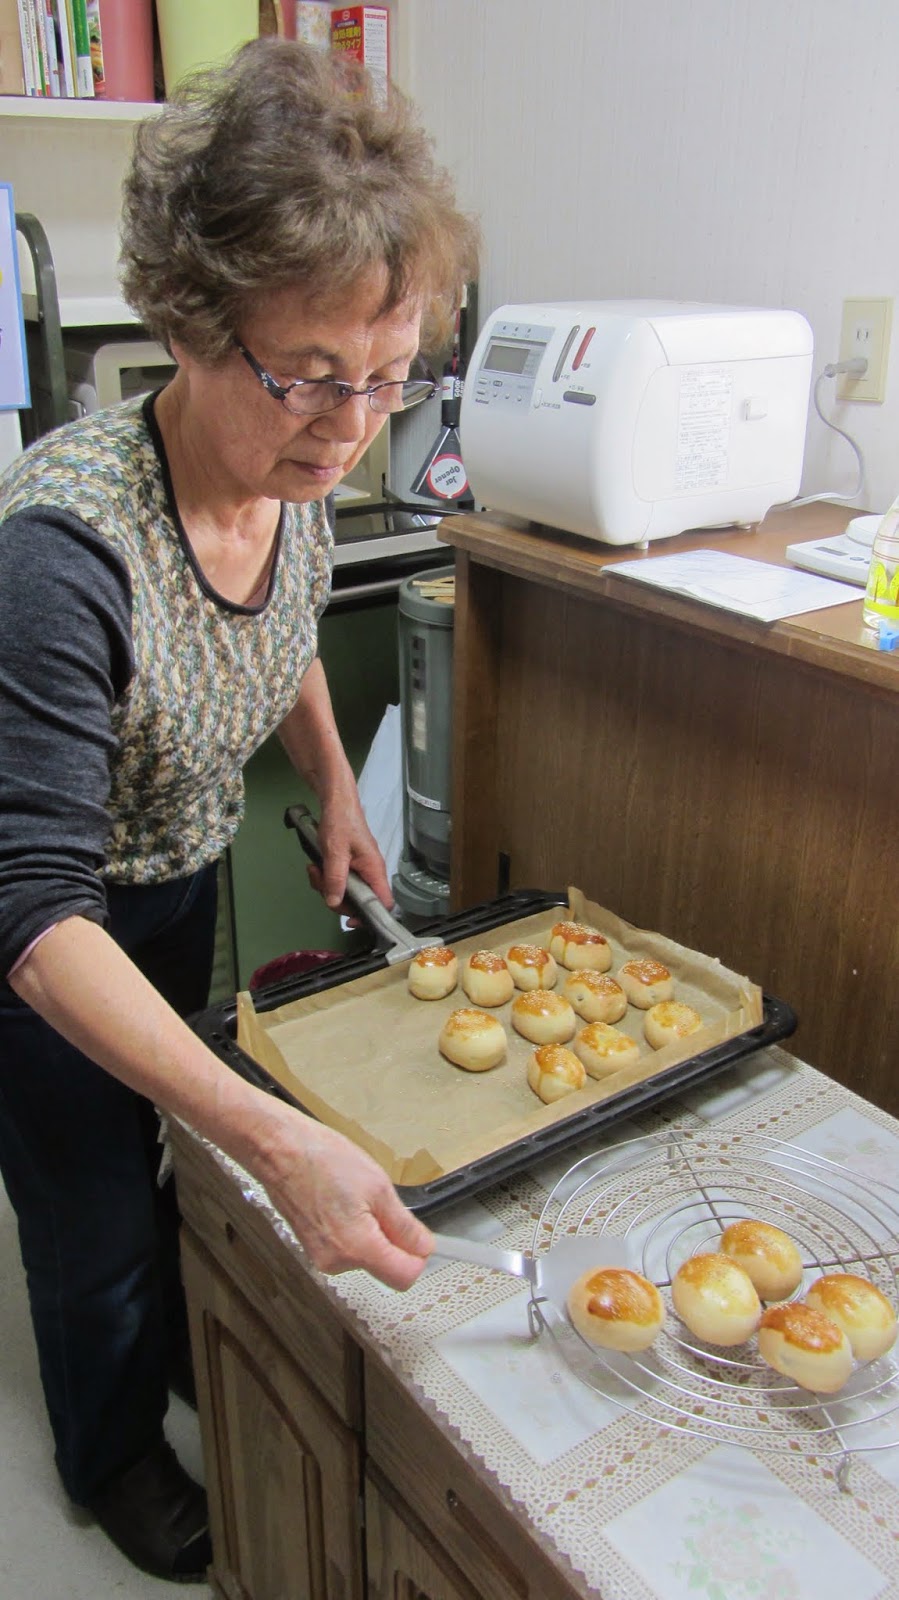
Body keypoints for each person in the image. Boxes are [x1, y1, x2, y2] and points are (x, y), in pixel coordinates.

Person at [0, 37, 478, 1584]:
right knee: (85, 1222)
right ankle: (110, 1451)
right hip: (60, 938)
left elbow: (275, 636)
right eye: (311, 379)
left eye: (385, 379)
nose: (349, 432)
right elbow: (29, 912)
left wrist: (339, 782)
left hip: (182, 875)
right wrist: (279, 1142)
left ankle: (166, 1325)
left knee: (173, 1152)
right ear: (192, 323)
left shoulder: (296, 458)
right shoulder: (63, 554)